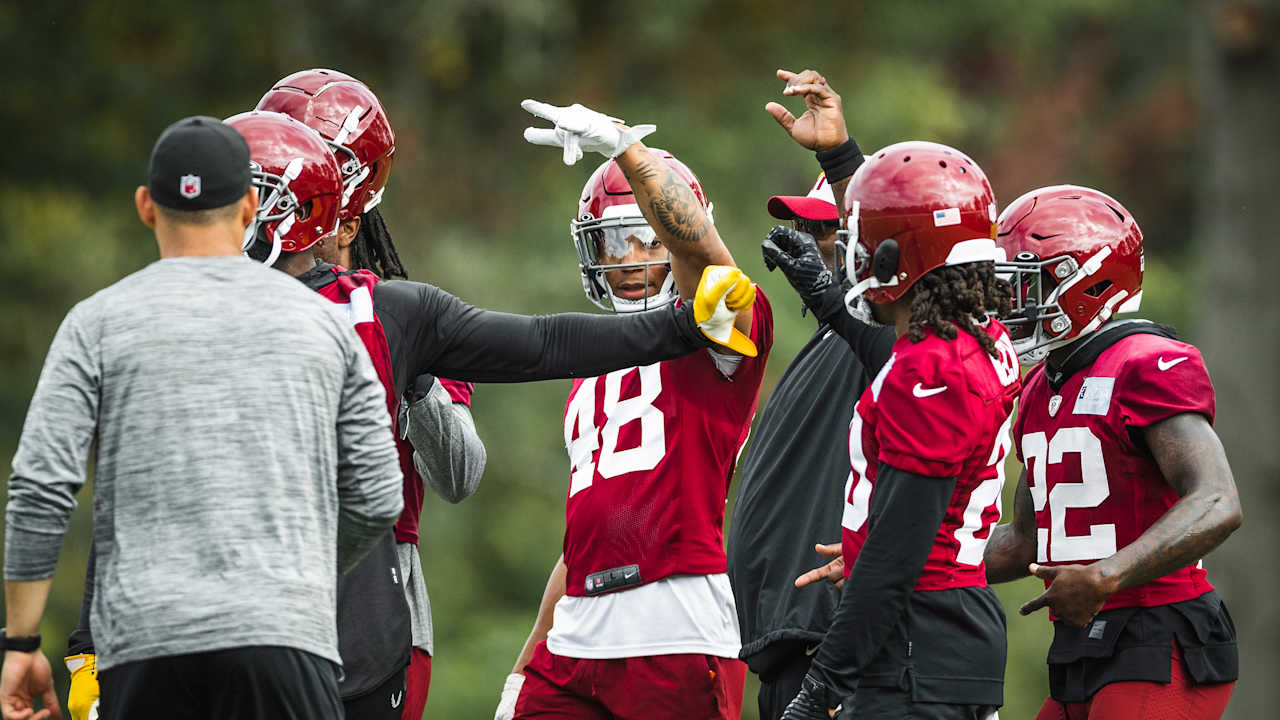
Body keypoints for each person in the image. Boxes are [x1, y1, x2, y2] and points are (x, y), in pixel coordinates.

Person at [2, 116, 404, 720]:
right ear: (249, 207)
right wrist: (297, 572)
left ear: (145, 207)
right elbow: (377, 495)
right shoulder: (323, 323)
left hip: (144, 644)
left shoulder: (98, 322)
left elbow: (39, 487)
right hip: (285, 641)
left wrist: (22, 642)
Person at [489, 100, 772, 720]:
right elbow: (579, 545)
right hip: (577, 634)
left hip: (674, 624)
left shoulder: (717, 336)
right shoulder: (592, 364)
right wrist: (521, 668)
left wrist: (627, 151)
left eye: (647, 232)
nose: (629, 255)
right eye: (615, 239)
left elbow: (703, 256)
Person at [763, 72, 1019, 717]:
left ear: (896, 257)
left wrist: (825, 681)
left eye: (857, 239)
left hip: (915, 650)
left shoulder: (932, 369)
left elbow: (896, 558)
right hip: (937, 643)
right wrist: (823, 297)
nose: (846, 254)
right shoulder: (968, 337)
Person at [256, 68, 485, 718]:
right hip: (259, 590)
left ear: (349, 214)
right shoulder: (230, 302)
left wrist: (415, 377)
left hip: (378, 596)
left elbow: (460, 475)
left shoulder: (398, 314)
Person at [983, 185, 1241, 719]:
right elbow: (1026, 540)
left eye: (1028, 286)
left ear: (1089, 280)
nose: (1011, 305)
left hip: (1163, 634)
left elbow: (1218, 500)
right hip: (1083, 643)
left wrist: (1107, 575)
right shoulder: (1037, 388)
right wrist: (903, 562)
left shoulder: (1146, 362)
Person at [727, 171, 896, 720]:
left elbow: (901, 349)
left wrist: (831, 298)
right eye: (801, 226)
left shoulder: (889, 334)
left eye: (823, 228)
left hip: (835, 647)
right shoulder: (834, 339)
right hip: (793, 649)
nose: (805, 240)